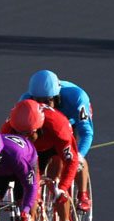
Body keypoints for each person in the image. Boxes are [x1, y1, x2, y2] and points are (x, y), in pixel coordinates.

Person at [2, 99, 80, 221]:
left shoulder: (58, 128)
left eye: (28, 134)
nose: (24, 137)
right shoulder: (7, 129)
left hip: (54, 147)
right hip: (29, 153)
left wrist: (62, 188)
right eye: (20, 134)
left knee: (57, 185)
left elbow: (71, 162)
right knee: (30, 190)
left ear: (38, 128)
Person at [21, 70, 92, 210]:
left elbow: (86, 133)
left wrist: (79, 155)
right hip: (45, 122)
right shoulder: (25, 101)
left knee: (74, 156)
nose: (43, 105)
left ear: (57, 97)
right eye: (38, 101)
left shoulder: (77, 98)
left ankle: (82, 195)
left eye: (47, 101)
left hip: (70, 120)